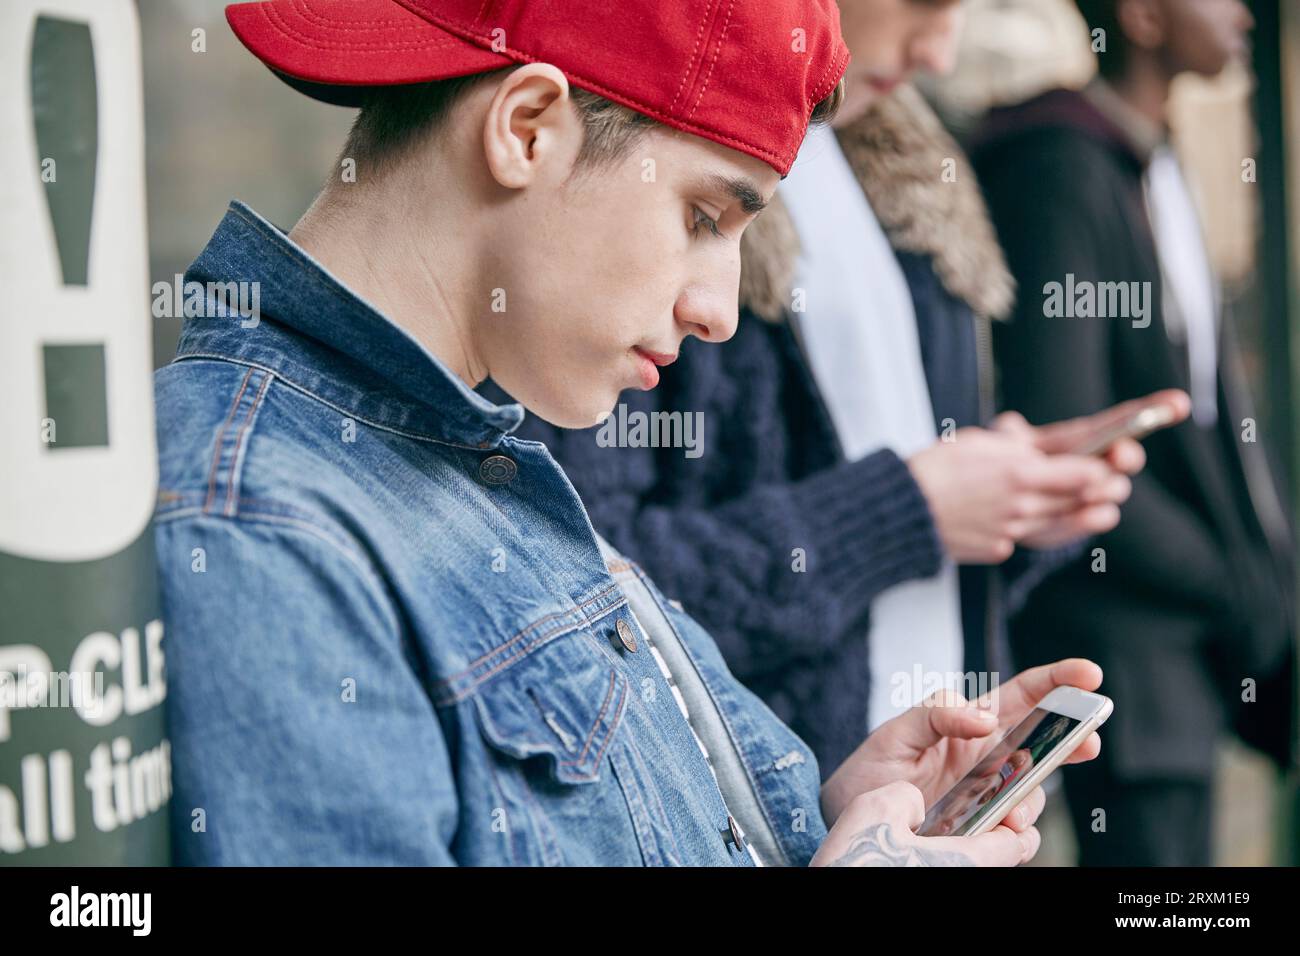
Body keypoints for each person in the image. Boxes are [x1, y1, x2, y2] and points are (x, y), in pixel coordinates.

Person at [153, 0, 1102, 867]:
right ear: (526, 129)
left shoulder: (471, 449)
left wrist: (818, 824)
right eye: (702, 215)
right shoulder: (261, 523)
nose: (720, 309)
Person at [482, 0, 1176, 773]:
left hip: (921, 786)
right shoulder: (648, 186)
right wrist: (908, 513)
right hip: (744, 807)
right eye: (924, 5)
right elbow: (583, 587)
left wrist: (1011, 502)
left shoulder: (913, 185)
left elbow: (910, 550)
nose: (940, 53)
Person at [973, 0, 1295, 865]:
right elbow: (1066, 431)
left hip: (1183, 641)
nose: (1242, 14)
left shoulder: (1152, 163)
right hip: (1122, 647)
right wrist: (1237, 585)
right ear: (1144, 16)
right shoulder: (1060, 165)